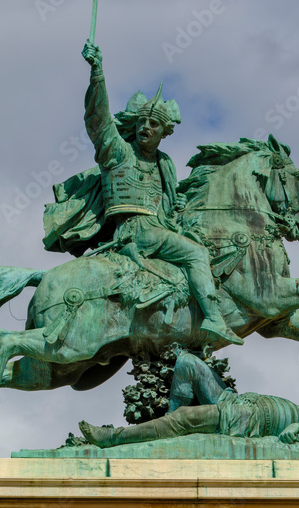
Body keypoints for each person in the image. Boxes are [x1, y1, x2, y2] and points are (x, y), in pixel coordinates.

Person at [80, 41, 242, 346]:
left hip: (158, 227)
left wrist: (175, 206)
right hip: (135, 230)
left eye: (153, 123)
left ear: (164, 131)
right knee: (197, 253)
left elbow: (164, 207)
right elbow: (98, 121)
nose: (145, 127)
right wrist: (97, 73)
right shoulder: (118, 152)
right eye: (142, 121)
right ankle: (212, 318)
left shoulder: (165, 163)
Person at [79, 350, 299, 449]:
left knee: (185, 418)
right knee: (186, 361)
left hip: (245, 419)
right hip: (236, 400)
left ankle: (113, 437)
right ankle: (164, 427)